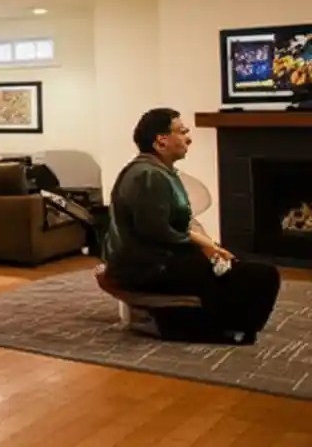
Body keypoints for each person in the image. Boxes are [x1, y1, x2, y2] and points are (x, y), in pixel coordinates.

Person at [102, 108, 282, 344]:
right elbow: (156, 232)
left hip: (158, 259)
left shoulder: (160, 171)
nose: (189, 138)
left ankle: (220, 326)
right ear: (161, 140)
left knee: (234, 268)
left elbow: (174, 224)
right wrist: (205, 247)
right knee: (262, 275)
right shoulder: (148, 176)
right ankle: (224, 331)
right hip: (146, 267)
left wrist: (208, 245)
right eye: (182, 131)